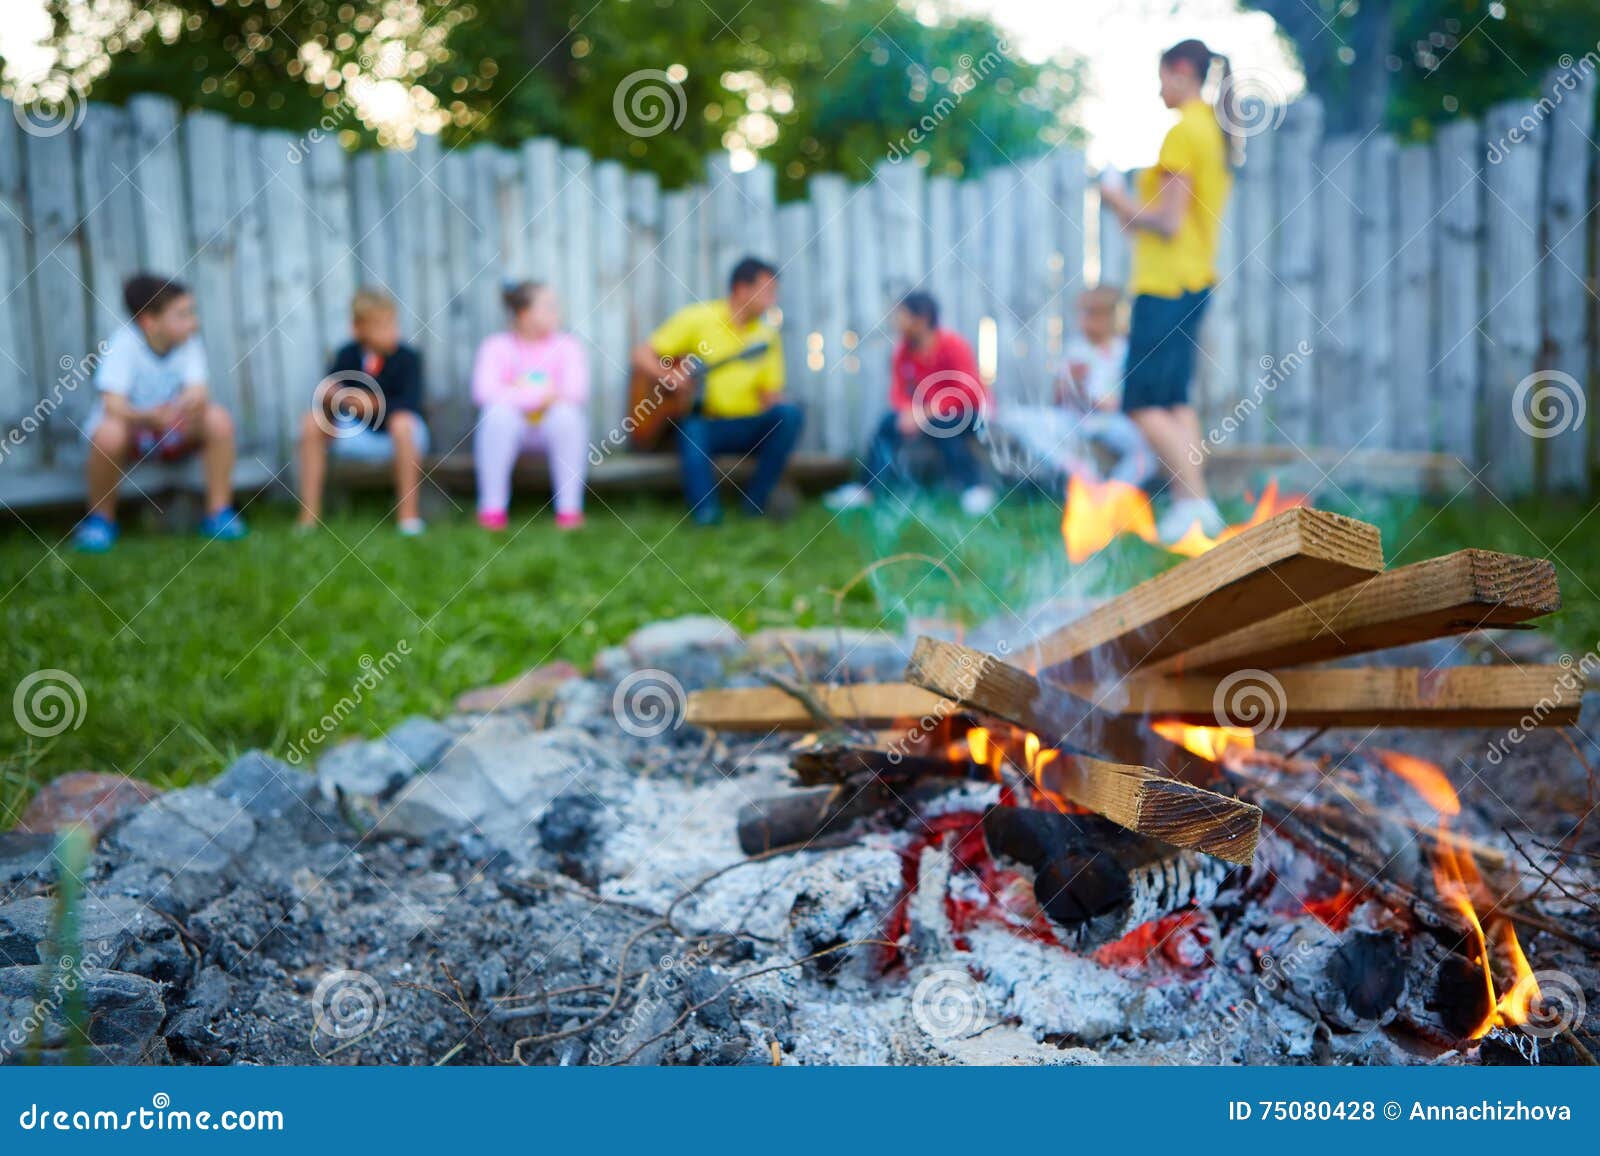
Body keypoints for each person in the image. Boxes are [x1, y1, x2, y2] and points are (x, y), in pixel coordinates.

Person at [1097, 37, 1236, 544]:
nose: (1159, 89)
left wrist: (1115, 200)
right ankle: (1190, 506)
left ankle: (1195, 501)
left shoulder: (1183, 134)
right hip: (1193, 283)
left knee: (1141, 401)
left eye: (1161, 77)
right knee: (1175, 401)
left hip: (1166, 286)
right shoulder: (1210, 132)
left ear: (1181, 71)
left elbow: (1168, 222)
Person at [74, 273, 247, 552]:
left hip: (173, 430)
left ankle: (219, 513)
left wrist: (188, 403)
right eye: (183, 314)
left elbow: (199, 391)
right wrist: (146, 417)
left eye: (192, 312)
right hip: (133, 434)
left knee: (218, 420)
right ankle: (100, 521)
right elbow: (112, 403)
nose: (193, 322)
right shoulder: (123, 345)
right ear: (149, 322)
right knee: (108, 433)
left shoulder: (188, 345)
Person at [632, 257, 802, 526]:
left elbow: (769, 395)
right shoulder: (697, 318)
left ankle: (754, 504)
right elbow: (642, 354)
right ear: (741, 289)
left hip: (747, 426)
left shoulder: (767, 337)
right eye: (767, 292)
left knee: (790, 416)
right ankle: (707, 514)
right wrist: (669, 376)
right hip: (706, 424)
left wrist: (782, 404)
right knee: (692, 430)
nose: (772, 300)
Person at [823, 292, 995, 515]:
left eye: (901, 315)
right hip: (924, 414)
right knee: (887, 423)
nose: (895, 321)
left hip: (968, 412)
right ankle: (864, 489)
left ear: (921, 319)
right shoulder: (904, 351)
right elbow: (898, 392)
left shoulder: (954, 345)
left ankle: (975, 489)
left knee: (944, 424)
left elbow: (967, 391)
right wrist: (907, 411)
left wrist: (926, 411)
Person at [983, 285, 1153, 489]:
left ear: (1109, 316)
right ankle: (1080, 473)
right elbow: (1060, 401)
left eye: (1092, 314)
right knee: (1013, 418)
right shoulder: (1077, 350)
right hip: (1076, 419)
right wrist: (1071, 384)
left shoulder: (1126, 352)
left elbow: (1133, 399)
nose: (1084, 321)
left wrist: (1103, 403)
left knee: (1147, 453)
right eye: (1083, 314)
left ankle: (1114, 493)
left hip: (1114, 421)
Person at [295, 288, 429, 535]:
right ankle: (308, 517)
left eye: (392, 323)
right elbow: (330, 392)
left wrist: (375, 404)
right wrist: (334, 397)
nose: (390, 331)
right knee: (310, 423)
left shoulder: (408, 359)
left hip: (400, 436)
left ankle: (408, 517)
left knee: (402, 423)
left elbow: (410, 404)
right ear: (358, 329)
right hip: (357, 432)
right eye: (380, 325)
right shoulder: (347, 355)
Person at [472, 281, 590, 531]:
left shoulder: (568, 345)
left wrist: (515, 392)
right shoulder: (496, 346)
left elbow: (576, 393)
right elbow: (483, 393)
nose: (556, 312)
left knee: (568, 416)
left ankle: (569, 510)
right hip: (512, 429)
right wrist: (542, 395)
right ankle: (492, 509)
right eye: (548, 307)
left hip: (550, 428)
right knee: (496, 415)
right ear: (524, 314)